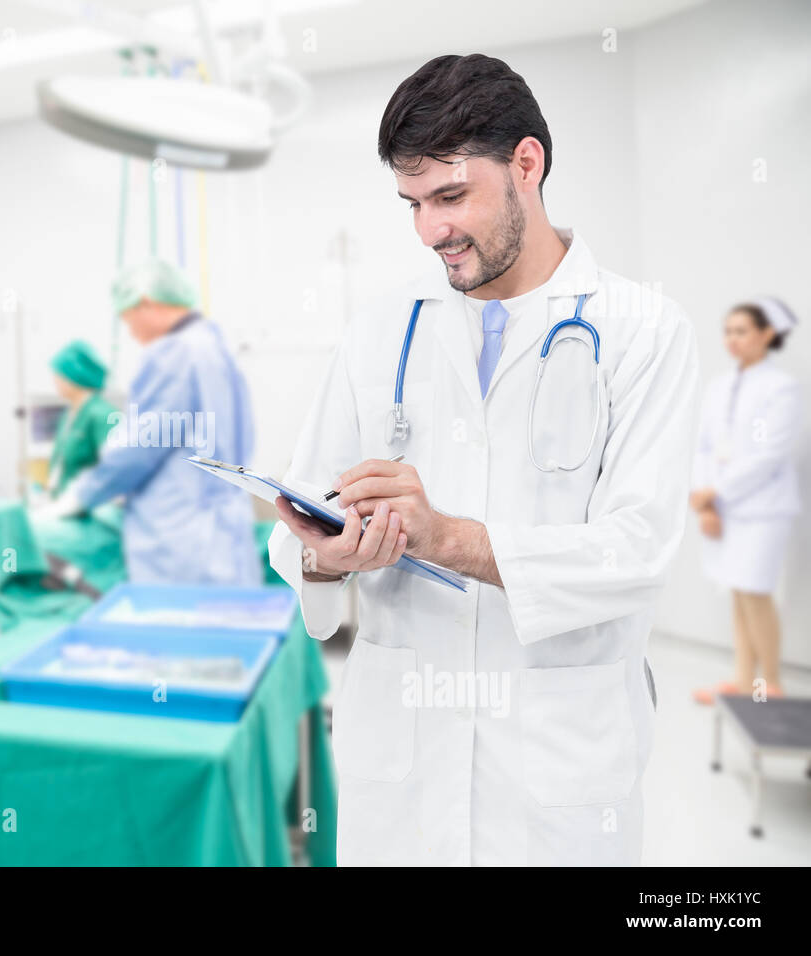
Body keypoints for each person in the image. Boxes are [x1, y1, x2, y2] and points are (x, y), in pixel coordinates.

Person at [268, 54, 699, 866]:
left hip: (558, 771)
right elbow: (302, 526)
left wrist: (445, 537)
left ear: (526, 165)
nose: (431, 229)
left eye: (451, 196)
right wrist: (325, 559)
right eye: (414, 204)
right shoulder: (379, 333)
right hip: (401, 761)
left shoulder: (644, 331)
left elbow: (636, 550)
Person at [49, 258, 260, 586]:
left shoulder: (174, 355)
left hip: (178, 533)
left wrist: (83, 494)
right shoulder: (217, 350)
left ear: (146, 303)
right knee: (222, 622)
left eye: (128, 319)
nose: (131, 332)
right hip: (224, 525)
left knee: (180, 627)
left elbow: (138, 449)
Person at [689, 299, 800, 705]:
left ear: (767, 334)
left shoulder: (781, 387)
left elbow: (767, 455)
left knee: (755, 591)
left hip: (763, 508)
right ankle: (743, 681)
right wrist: (704, 502)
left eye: (742, 331)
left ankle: (769, 683)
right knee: (737, 590)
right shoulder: (719, 386)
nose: (732, 340)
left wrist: (716, 494)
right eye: (728, 331)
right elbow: (702, 446)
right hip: (723, 508)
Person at [46, 340, 117, 497]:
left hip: (90, 510)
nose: (55, 380)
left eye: (58, 375)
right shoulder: (68, 415)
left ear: (74, 376)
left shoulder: (104, 416)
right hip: (62, 503)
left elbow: (115, 470)